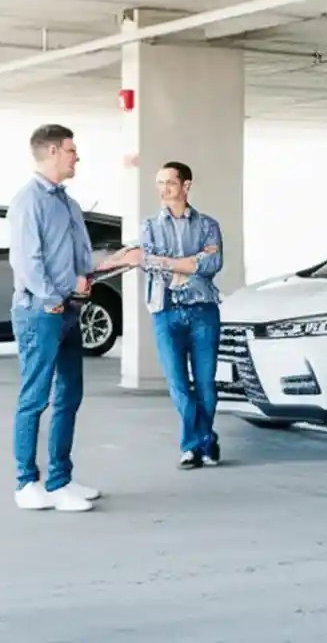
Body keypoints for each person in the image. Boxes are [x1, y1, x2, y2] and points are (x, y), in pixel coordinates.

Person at [9, 124, 101, 513]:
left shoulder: (67, 202)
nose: (75, 157)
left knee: (69, 395)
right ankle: (27, 482)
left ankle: (60, 479)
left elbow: (78, 256)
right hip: (40, 311)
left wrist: (87, 281)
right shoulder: (28, 201)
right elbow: (27, 261)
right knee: (34, 398)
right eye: (70, 150)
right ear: (50, 152)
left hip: (68, 309)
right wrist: (51, 299)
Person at [113, 161, 225, 470]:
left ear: (186, 185)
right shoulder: (149, 226)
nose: (163, 189)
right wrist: (186, 263)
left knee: (205, 384)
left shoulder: (208, 225)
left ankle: (194, 446)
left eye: (170, 183)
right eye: (159, 183)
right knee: (178, 384)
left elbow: (212, 265)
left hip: (203, 311)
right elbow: (148, 265)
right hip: (165, 311)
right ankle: (202, 442)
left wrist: (168, 262)